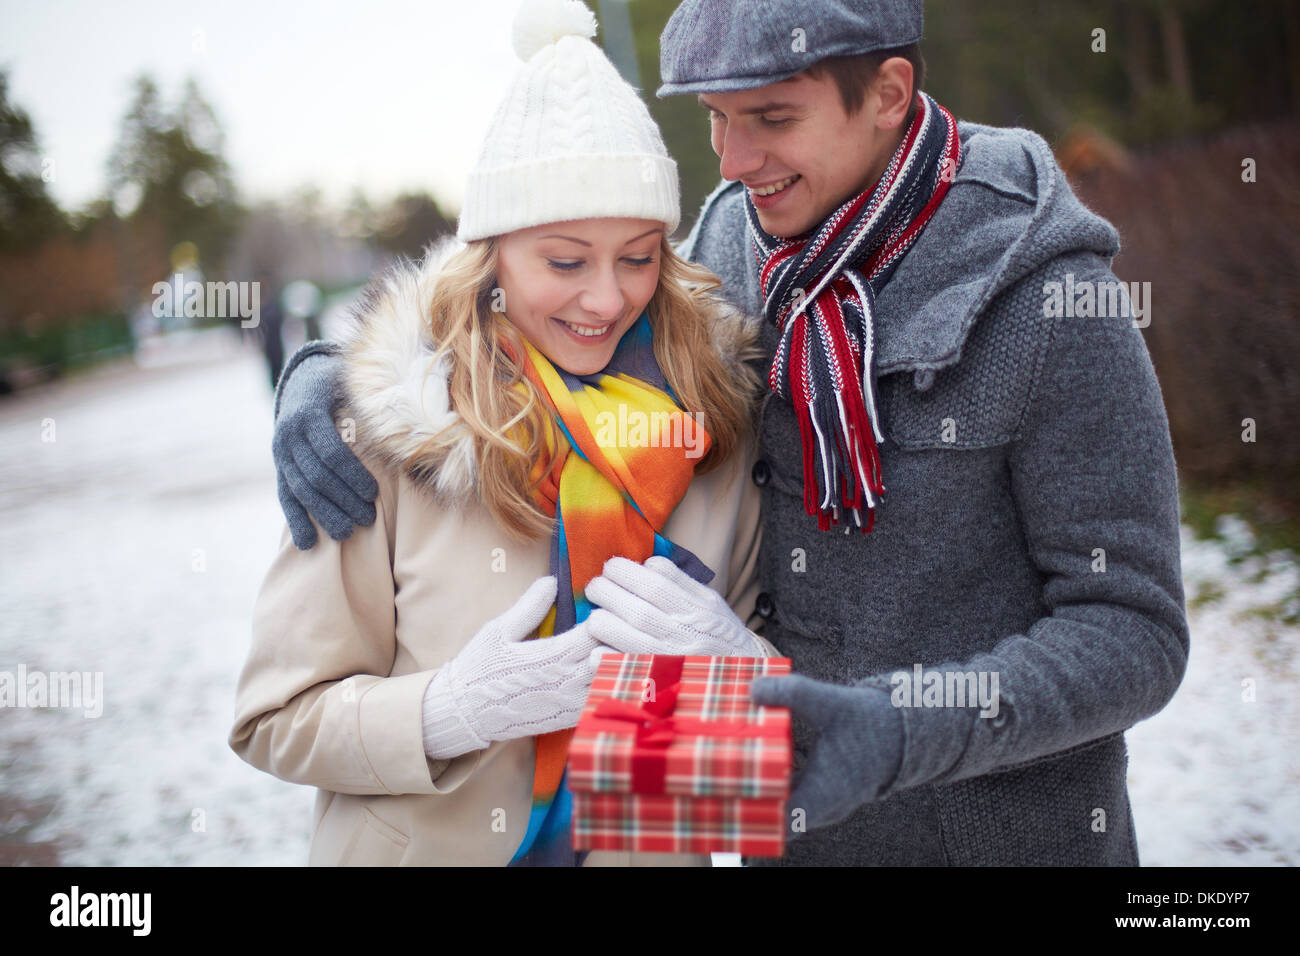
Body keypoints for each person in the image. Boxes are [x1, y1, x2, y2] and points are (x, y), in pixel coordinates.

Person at [267, 0, 1190, 866]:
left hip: (1003, 845)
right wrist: (330, 379)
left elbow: (1132, 630)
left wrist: (898, 725)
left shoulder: (1045, 295)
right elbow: (519, 307)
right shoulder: (726, 249)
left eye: (772, 118)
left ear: (887, 95)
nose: (735, 159)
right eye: (716, 116)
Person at [229, 0, 778, 867]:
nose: (605, 298)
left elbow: (736, 766)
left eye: (638, 257)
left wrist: (742, 679)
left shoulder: (713, 428)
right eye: (564, 262)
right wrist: (448, 712)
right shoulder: (381, 433)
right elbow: (272, 719)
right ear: (490, 256)